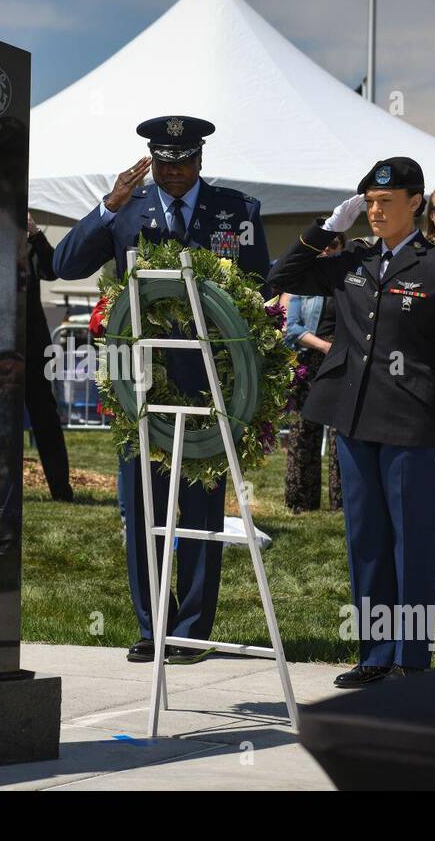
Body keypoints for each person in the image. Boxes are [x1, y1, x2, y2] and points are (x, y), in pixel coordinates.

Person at [53, 115, 271, 664]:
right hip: (139, 383)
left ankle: (191, 630)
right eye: (164, 163)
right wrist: (108, 206)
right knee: (142, 508)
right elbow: (64, 263)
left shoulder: (236, 211)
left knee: (199, 511)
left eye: (184, 162)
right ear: (152, 161)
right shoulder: (128, 208)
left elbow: (260, 288)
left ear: (200, 159)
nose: (174, 173)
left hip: (208, 384)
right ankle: (152, 627)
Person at [268, 157, 435, 686]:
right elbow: (278, 279)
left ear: (416, 203)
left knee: (412, 543)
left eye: (386, 201)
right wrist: (326, 230)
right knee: (365, 540)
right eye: (369, 202)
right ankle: (374, 653)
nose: (375, 211)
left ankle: (411, 659)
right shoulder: (353, 258)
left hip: (412, 423)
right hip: (353, 417)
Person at [282, 234, 343, 513]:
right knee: (303, 430)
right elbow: (291, 327)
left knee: (341, 434)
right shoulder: (302, 282)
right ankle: (300, 501)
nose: (327, 250)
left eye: (334, 245)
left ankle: (342, 502)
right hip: (310, 359)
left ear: (342, 249)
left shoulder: (350, 283)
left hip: (342, 360)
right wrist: (324, 346)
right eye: (323, 245)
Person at [24, 214, 73, 502]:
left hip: (31, 338)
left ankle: (60, 488)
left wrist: (35, 234)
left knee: (44, 414)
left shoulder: (26, 240)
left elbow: (52, 269)